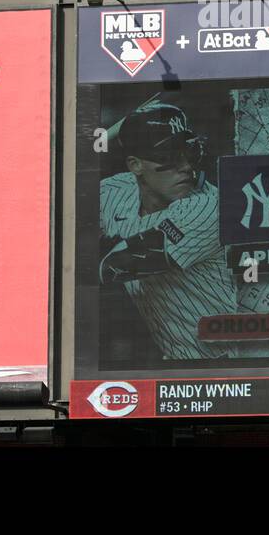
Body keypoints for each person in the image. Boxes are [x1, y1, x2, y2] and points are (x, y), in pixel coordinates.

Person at [98, 101, 237, 360]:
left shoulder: (208, 206)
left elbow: (117, 265)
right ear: (135, 165)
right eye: (168, 157)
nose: (185, 167)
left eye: (189, 153)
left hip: (232, 365)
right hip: (174, 361)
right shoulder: (115, 191)